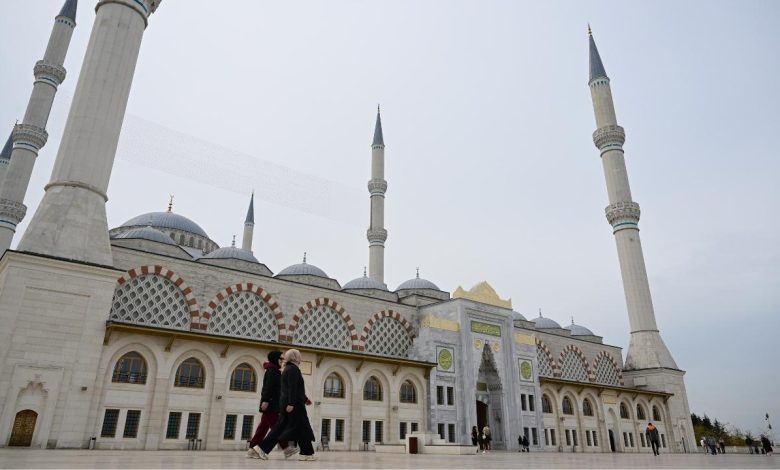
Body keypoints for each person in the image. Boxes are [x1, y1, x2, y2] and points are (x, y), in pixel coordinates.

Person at [255, 349, 317, 461]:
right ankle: (306, 453)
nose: (301, 358)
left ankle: (306, 453)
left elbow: (295, 389)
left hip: (292, 403)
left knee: (297, 428)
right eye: (299, 356)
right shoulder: (293, 369)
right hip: (294, 405)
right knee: (294, 427)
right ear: (295, 357)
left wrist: (305, 399)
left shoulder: (289, 369)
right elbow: (292, 388)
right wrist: (291, 403)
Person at [246, 351, 295, 459]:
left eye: (283, 359)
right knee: (277, 428)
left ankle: (252, 449)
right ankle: (286, 449)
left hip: (273, 404)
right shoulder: (271, 371)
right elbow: (268, 387)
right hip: (270, 404)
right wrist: (265, 400)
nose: (282, 361)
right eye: (280, 359)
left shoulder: (275, 371)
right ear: (274, 359)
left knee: (262, 429)